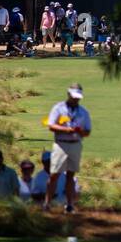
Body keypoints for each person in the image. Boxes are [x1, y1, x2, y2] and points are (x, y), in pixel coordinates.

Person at [43, 83, 91, 213]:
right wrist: (67, 129)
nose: (76, 99)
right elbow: (51, 125)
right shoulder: (58, 108)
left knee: (71, 175)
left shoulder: (83, 112)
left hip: (76, 144)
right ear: (68, 94)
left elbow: (88, 132)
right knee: (54, 174)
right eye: (74, 96)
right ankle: (47, 203)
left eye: (78, 97)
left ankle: (69, 205)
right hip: (61, 144)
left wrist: (80, 131)